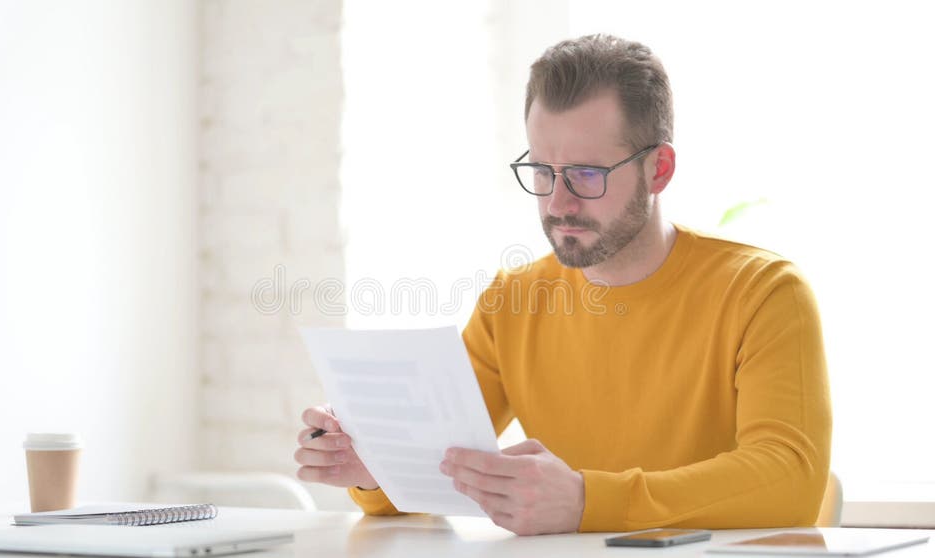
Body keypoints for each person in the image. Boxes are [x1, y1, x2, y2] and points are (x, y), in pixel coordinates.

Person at [294, 33, 831, 536]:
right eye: (544, 172)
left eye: (587, 175)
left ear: (659, 170)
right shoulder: (511, 303)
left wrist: (584, 501)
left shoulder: (763, 293)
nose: (557, 203)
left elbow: (792, 481)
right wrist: (375, 462)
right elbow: (433, 466)